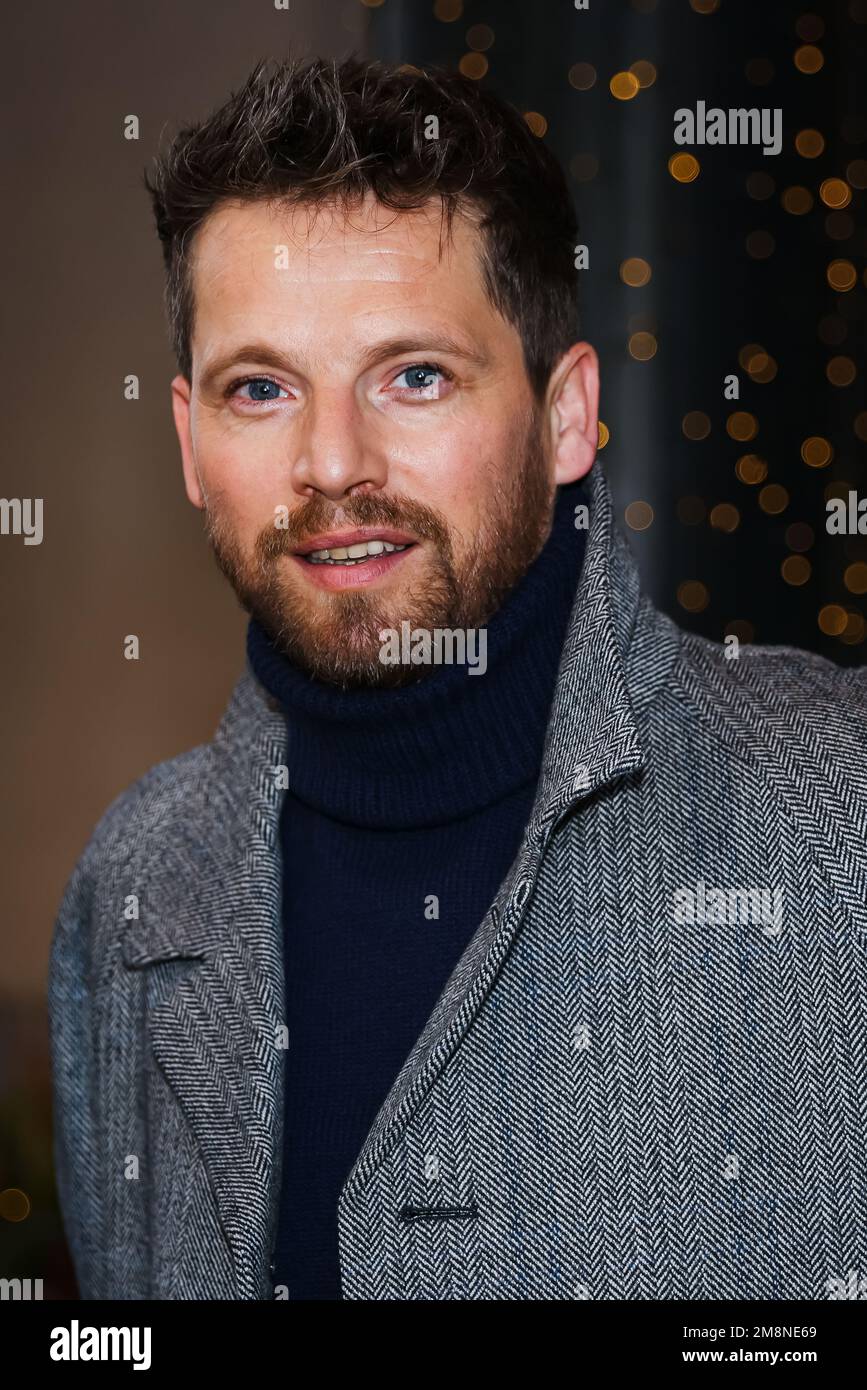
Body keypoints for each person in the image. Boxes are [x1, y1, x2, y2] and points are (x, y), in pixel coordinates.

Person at [48, 54, 867, 1302]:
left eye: (414, 376)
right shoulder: (133, 892)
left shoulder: (836, 816)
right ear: (189, 443)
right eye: (261, 389)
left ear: (567, 418)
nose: (332, 463)